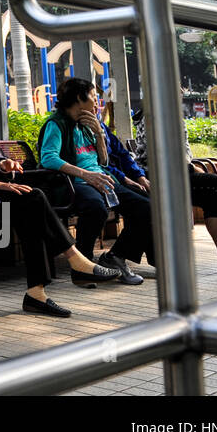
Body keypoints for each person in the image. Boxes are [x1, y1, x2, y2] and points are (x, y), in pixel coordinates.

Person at [0, 84, 119, 317]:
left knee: (32, 206)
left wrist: (4, 165)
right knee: (34, 200)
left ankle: (37, 293)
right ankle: (75, 262)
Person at [97, 96, 217, 276]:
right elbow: (159, 153)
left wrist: (190, 166)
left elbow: (181, 150)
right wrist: (188, 167)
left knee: (212, 196)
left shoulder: (170, 115)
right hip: (156, 176)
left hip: (175, 172)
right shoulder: (152, 117)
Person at [38, 78, 154, 286]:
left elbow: (103, 161)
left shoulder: (87, 124)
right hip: (73, 184)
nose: (96, 102)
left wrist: (99, 135)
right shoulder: (56, 124)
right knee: (95, 207)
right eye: (92, 97)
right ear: (79, 98)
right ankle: (82, 267)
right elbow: (48, 157)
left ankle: (116, 256)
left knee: (145, 207)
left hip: (100, 179)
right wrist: (85, 175)